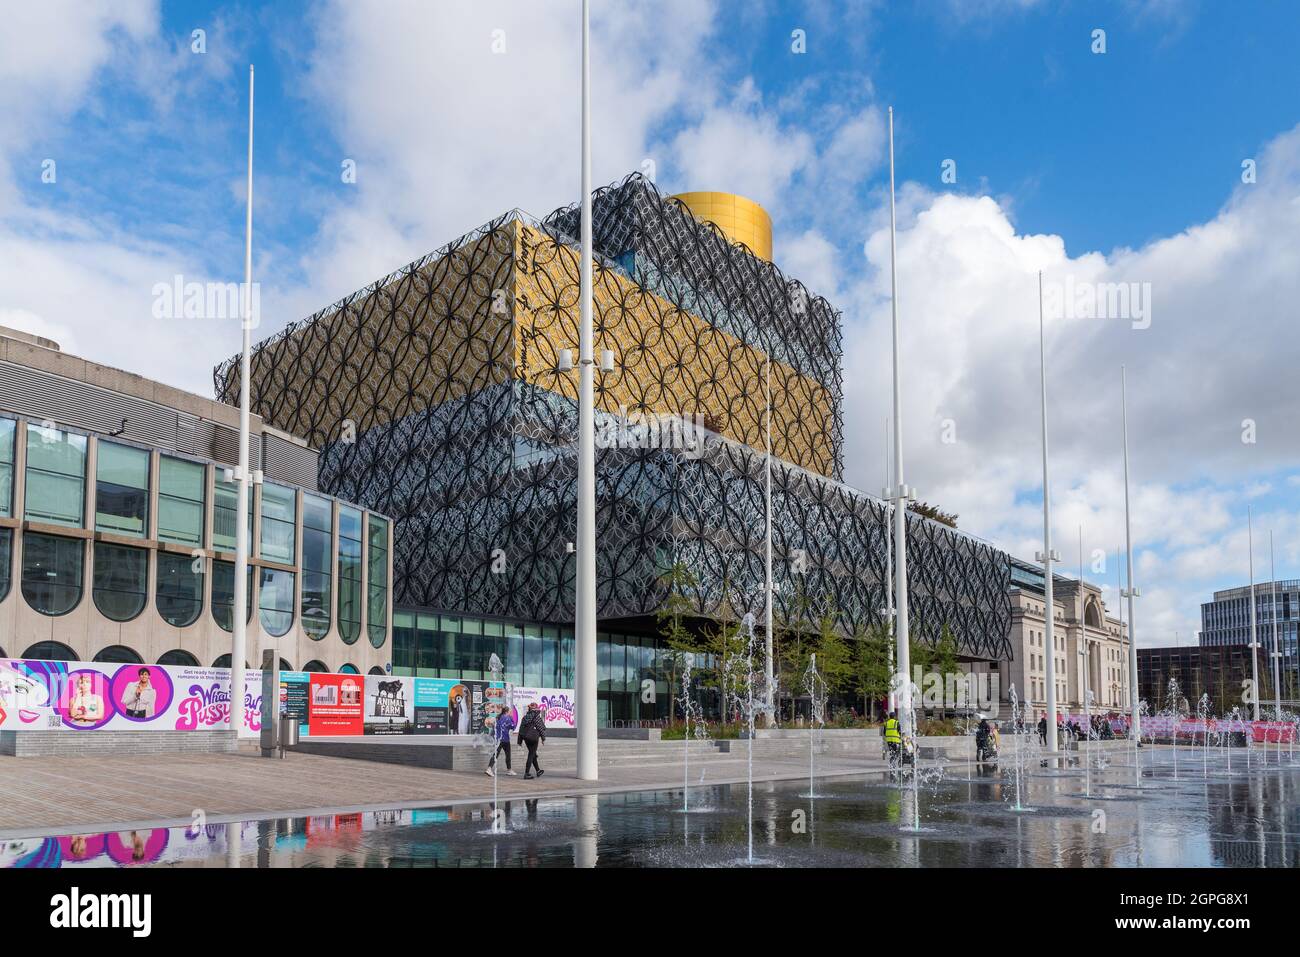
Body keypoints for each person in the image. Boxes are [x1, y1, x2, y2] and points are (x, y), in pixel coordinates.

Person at [518, 702, 546, 779]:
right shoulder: (536, 716)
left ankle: (538, 770)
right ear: (536, 709)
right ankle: (527, 773)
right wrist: (543, 738)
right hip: (533, 738)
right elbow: (541, 728)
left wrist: (519, 741)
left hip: (526, 738)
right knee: (531, 755)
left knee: (532, 754)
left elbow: (521, 729)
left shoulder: (525, 717)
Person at [485, 706, 516, 777]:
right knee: (508, 754)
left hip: (498, 739)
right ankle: (509, 770)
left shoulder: (498, 717)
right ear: (507, 712)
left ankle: (489, 769)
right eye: (509, 712)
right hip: (505, 739)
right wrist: (512, 718)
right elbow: (513, 726)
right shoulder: (508, 718)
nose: (510, 713)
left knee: (496, 754)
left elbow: (494, 727)